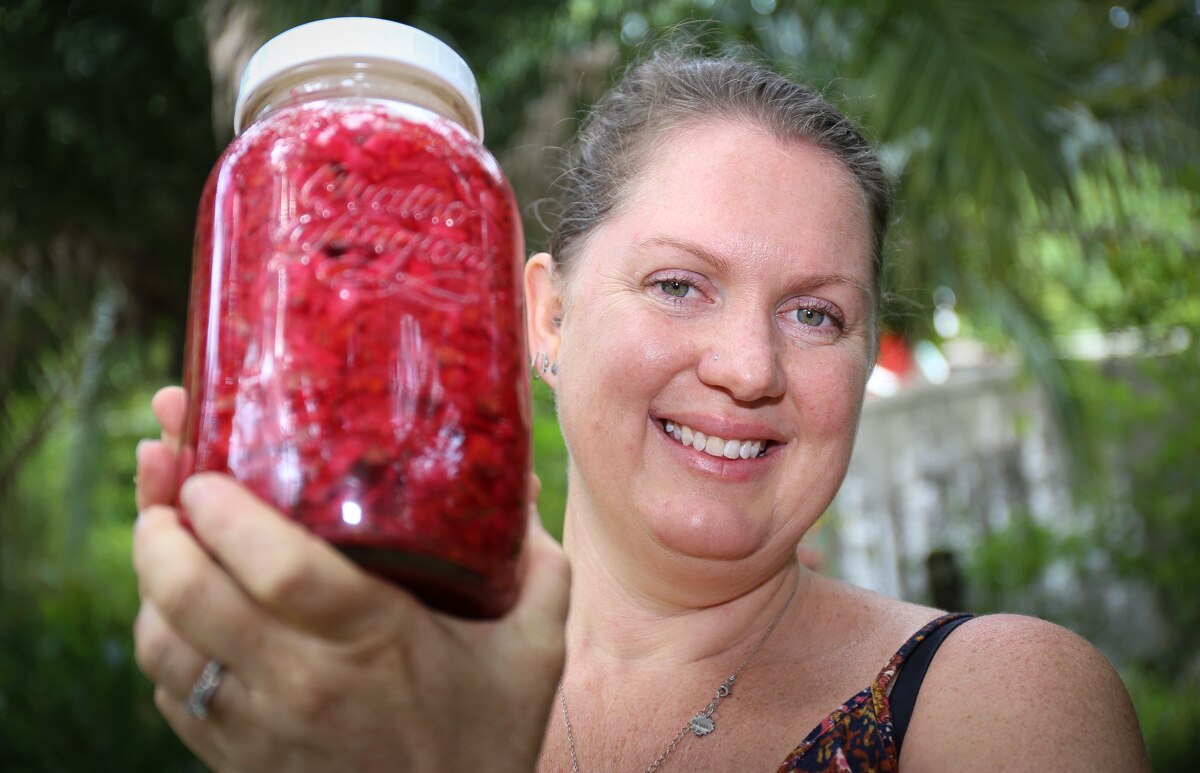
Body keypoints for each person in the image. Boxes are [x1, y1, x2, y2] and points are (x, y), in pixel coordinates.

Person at [132, 48, 1150, 772]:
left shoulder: (1001, 701)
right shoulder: (356, 679)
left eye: (814, 313)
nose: (748, 368)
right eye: (677, 285)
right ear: (547, 317)